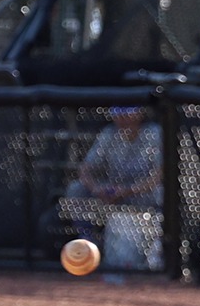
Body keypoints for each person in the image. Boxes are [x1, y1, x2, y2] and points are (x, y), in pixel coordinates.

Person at [40, 106, 163, 260]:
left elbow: (159, 176)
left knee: (160, 192)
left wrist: (127, 190)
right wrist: (97, 189)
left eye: (127, 113)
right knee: (76, 188)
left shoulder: (154, 133)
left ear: (140, 113)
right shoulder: (109, 133)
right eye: (117, 112)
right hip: (111, 195)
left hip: (143, 195)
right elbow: (85, 169)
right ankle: (88, 241)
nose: (122, 117)